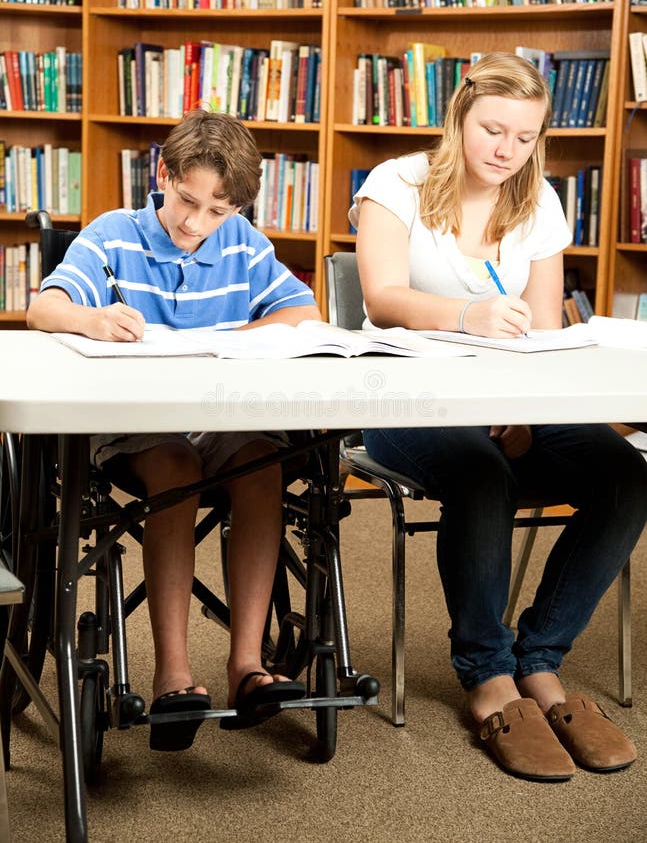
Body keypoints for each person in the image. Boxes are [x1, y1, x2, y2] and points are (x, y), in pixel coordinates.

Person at [349, 52, 647, 781]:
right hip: (405, 394)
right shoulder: (397, 182)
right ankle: (487, 677)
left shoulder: (538, 200)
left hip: (507, 398)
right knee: (482, 478)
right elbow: (383, 297)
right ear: (458, 117)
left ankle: (539, 661)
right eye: (490, 129)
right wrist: (466, 314)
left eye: (522, 138)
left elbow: (543, 327)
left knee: (625, 476)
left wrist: (520, 405)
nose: (504, 150)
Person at [27, 109, 322, 750]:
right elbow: (41, 306)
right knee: (177, 472)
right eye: (187, 200)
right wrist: (92, 320)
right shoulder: (114, 234)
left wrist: (246, 335)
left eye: (216, 211)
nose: (196, 223)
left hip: (213, 417)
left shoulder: (242, 243)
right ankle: (173, 673)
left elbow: (303, 310)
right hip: (135, 432)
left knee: (261, 465)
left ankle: (247, 663)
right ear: (163, 173)